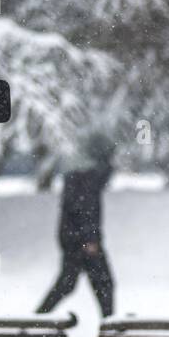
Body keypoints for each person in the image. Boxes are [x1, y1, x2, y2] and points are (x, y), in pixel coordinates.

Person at [36, 133, 117, 317]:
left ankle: (36, 323)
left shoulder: (78, 176)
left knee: (69, 283)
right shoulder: (86, 178)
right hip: (82, 241)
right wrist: (90, 239)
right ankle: (110, 331)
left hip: (73, 239)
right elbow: (85, 210)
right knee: (103, 284)